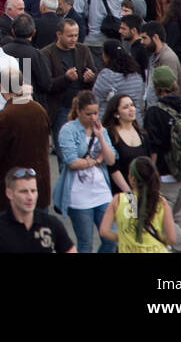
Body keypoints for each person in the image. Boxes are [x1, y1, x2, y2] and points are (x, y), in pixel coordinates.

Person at [144, 66, 181, 253]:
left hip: (165, 175)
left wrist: (149, 172)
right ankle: (179, 248)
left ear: (156, 86)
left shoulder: (154, 111)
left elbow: (153, 146)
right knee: (180, 218)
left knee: (159, 217)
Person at [53, 90, 117, 252]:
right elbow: (72, 161)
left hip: (102, 192)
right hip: (78, 196)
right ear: (79, 111)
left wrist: (101, 137)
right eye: (89, 114)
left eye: (96, 113)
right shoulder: (69, 130)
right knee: (85, 243)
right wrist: (96, 160)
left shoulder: (100, 129)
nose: (93, 118)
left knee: (112, 240)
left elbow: (110, 159)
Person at [0, 65, 52, 213]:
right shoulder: (39, 110)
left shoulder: (4, 116)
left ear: (1, 87)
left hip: (13, 191)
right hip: (38, 186)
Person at [0, 167, 76, 253]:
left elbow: (70, 250)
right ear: (9, 193)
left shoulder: (51, 224)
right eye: (24, 191)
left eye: (33, 191)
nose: (30, 197)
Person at [98, 156, 176, 253]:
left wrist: (123, 238)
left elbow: (104, 231)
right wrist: (161, 239)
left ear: (132, 178)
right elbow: (172, 238)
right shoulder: (160, 201)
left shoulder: (119, 200)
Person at [92, 39, 145, 120]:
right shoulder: (136, 76)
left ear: (107, 55)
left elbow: (96, 100)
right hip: (134, 121)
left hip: (110, 123)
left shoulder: (106, 76)